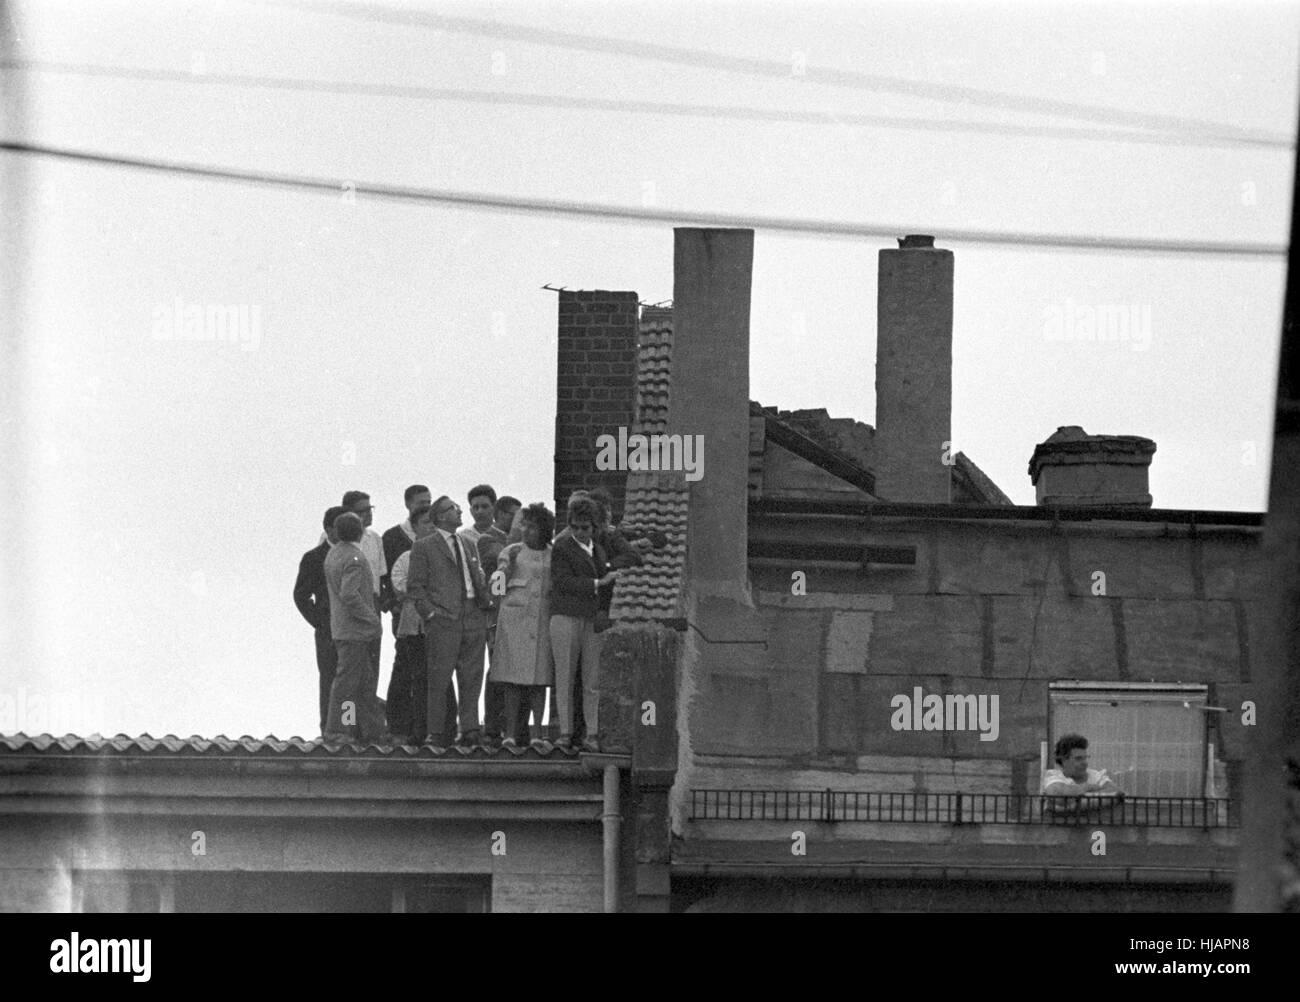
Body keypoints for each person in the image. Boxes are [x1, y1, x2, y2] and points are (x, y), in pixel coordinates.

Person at [407, 495, 491, 748]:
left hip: (472, 614)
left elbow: (477, 575)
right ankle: (436, 731)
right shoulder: (424, 546)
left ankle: (470, 728)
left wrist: (483, 603)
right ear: (440, 516)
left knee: (471, 676)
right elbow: (415, 586)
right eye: (453, 508)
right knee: (439, 677)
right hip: (444, 617)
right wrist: (431, 614)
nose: (459, 511)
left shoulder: (468, 542)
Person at [549, 497, 621, 752]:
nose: (580, 532)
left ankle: (591, 732)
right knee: (565, 676)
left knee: (592, 679)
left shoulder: (599, 551)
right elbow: (562, 582)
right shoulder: (561, 547)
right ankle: (565, 732)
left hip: (590, 619)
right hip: (566, 616)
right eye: (576, 527)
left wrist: (602, 606)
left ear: (594, 528)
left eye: (585, 527)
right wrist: (598, 583)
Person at [387, 504, 456, 743]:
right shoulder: (406, 557)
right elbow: (401, 586)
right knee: (418, 679)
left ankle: (446, 729)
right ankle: (418, 729)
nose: (431, 526)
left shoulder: (448, 553)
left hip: (440, 626)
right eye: (426, 522)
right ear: (415, 527)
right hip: (413, 628)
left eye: (433, 521)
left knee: (443, 679)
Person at [489, 504, 556, 748]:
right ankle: (510, 733)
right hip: (515, 623)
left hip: (542, 621)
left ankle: (538, 732)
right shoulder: (512, 550)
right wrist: (506, 568)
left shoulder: (553, 553)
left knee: (540, 680)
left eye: (533, 526)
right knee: (512, 680)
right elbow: (496, 588)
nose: (526, 530)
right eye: (524, 524)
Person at [323, 512, 386, 744]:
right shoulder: (355, 558)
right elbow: (349, 595)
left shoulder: (333, 553)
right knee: (348, 685)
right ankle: (340, 729)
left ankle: (371, 730)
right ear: (360, 531)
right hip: (355, 631)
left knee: (363, 682)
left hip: (342, 629)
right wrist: (371, 619)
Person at [381, 485, 432, 739]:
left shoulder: (438, 541)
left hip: (433, 617)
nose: (425, 505)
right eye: (421, 502)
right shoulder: (392, 538)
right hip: (406, 614)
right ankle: (398, 723)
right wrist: (391, 604)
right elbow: (386, 575)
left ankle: (425, 725)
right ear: (408, 505)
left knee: (430, 670)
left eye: (429, 501)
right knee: (404, 666)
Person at [294, 505, 347, 735]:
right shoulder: (314, 557)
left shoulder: (355, 552)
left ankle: (349, 725)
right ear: (328, 529)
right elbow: (300, 595)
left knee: (350, 680)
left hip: (352, 628)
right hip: (328, 630)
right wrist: (320, 621)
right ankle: (328, 727)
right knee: (329, 678)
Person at [478, 495, 521, 745]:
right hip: (496, 614)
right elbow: (498, 564)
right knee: (497, 668)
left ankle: (510, 726)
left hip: (513, 614)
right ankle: (493, 726)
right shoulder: (488, 539)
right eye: (514, 516)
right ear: (502, 514)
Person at [340, 490, 388, 673]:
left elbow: (381, 575)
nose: (368, 514)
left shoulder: (374, 538)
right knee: (349, 667)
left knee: (371, 662)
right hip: (348, 605)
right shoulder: (338, 540)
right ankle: (347, 704)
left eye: (370, 509)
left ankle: (367, 702)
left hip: (372, 603)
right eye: (362, 511)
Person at [1042, 734, 1123, 796]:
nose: (1085, 763)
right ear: (1064, 760)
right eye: (1078, 758)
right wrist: (1088, 787)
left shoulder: (1095, 775)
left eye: (1085, 758)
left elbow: (1116, 792)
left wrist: (1077, 800)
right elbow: (1057, 794)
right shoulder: (1053, 776)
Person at [457, 484, 498, 551]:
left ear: (494, 507)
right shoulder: (461, 538)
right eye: (476, 507)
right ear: (471, 511)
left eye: (485, 506)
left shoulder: (503, 536)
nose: (480, 512)